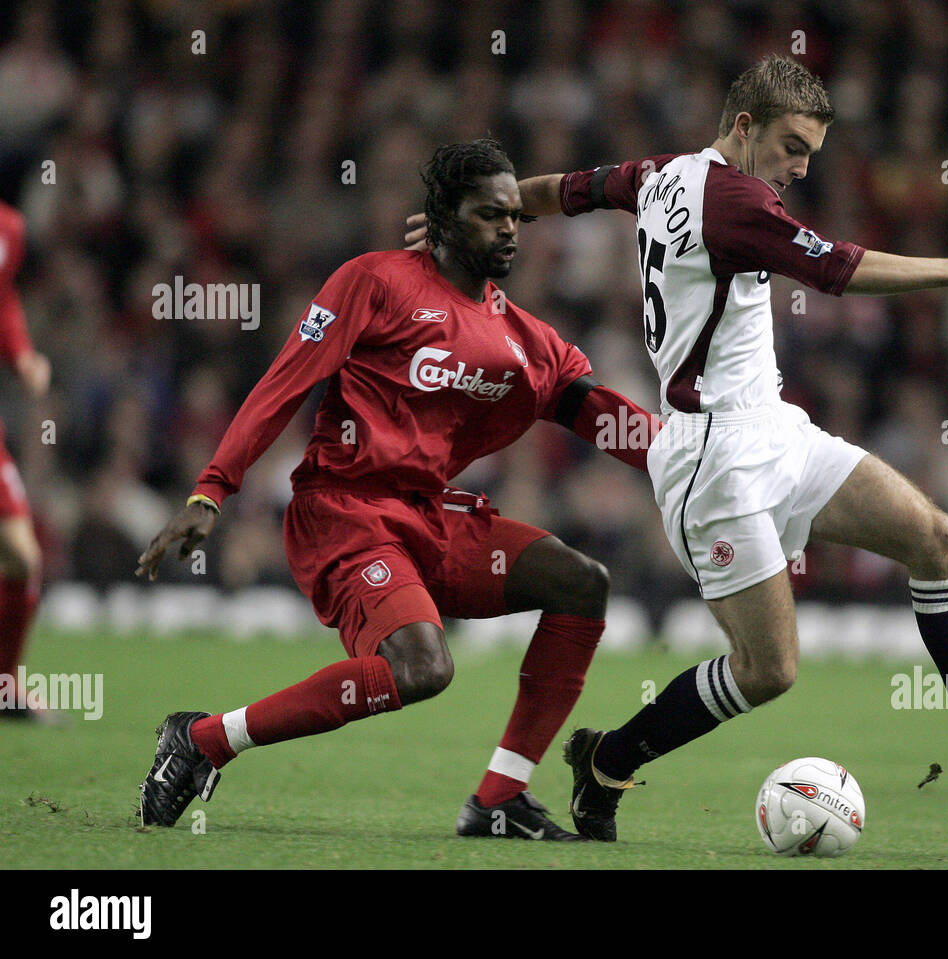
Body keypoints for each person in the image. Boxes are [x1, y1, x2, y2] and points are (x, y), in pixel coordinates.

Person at [409, 55, 948, 843]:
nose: (799, 168)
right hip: (714, 460)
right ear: (743, 128)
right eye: (792, 147)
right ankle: (608, 757)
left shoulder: (659, 173)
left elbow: (557, 192)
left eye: (810, 154)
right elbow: (838, 268)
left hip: (775, 428)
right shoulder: (733, 199)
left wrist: (477, 213)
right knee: (769, 671)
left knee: (936, 537)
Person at [136, 139, 658, 839]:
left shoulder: (526, 341)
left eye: (513, 216)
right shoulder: (374, 283)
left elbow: (604, 419)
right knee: (420, 666)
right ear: (441, 219)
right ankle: (203, 740)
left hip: (428, 518)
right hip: (345, 510)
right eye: (488, 215)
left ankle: (500, 797)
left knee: (580, 583)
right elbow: (284, 382)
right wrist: (211, 491)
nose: (507, 228)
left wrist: (699, 464)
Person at [0, 199, 53, 722]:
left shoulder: (9, 228)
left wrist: (21, 354)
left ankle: (5, 686)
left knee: (22, 556)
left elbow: (2, 301)